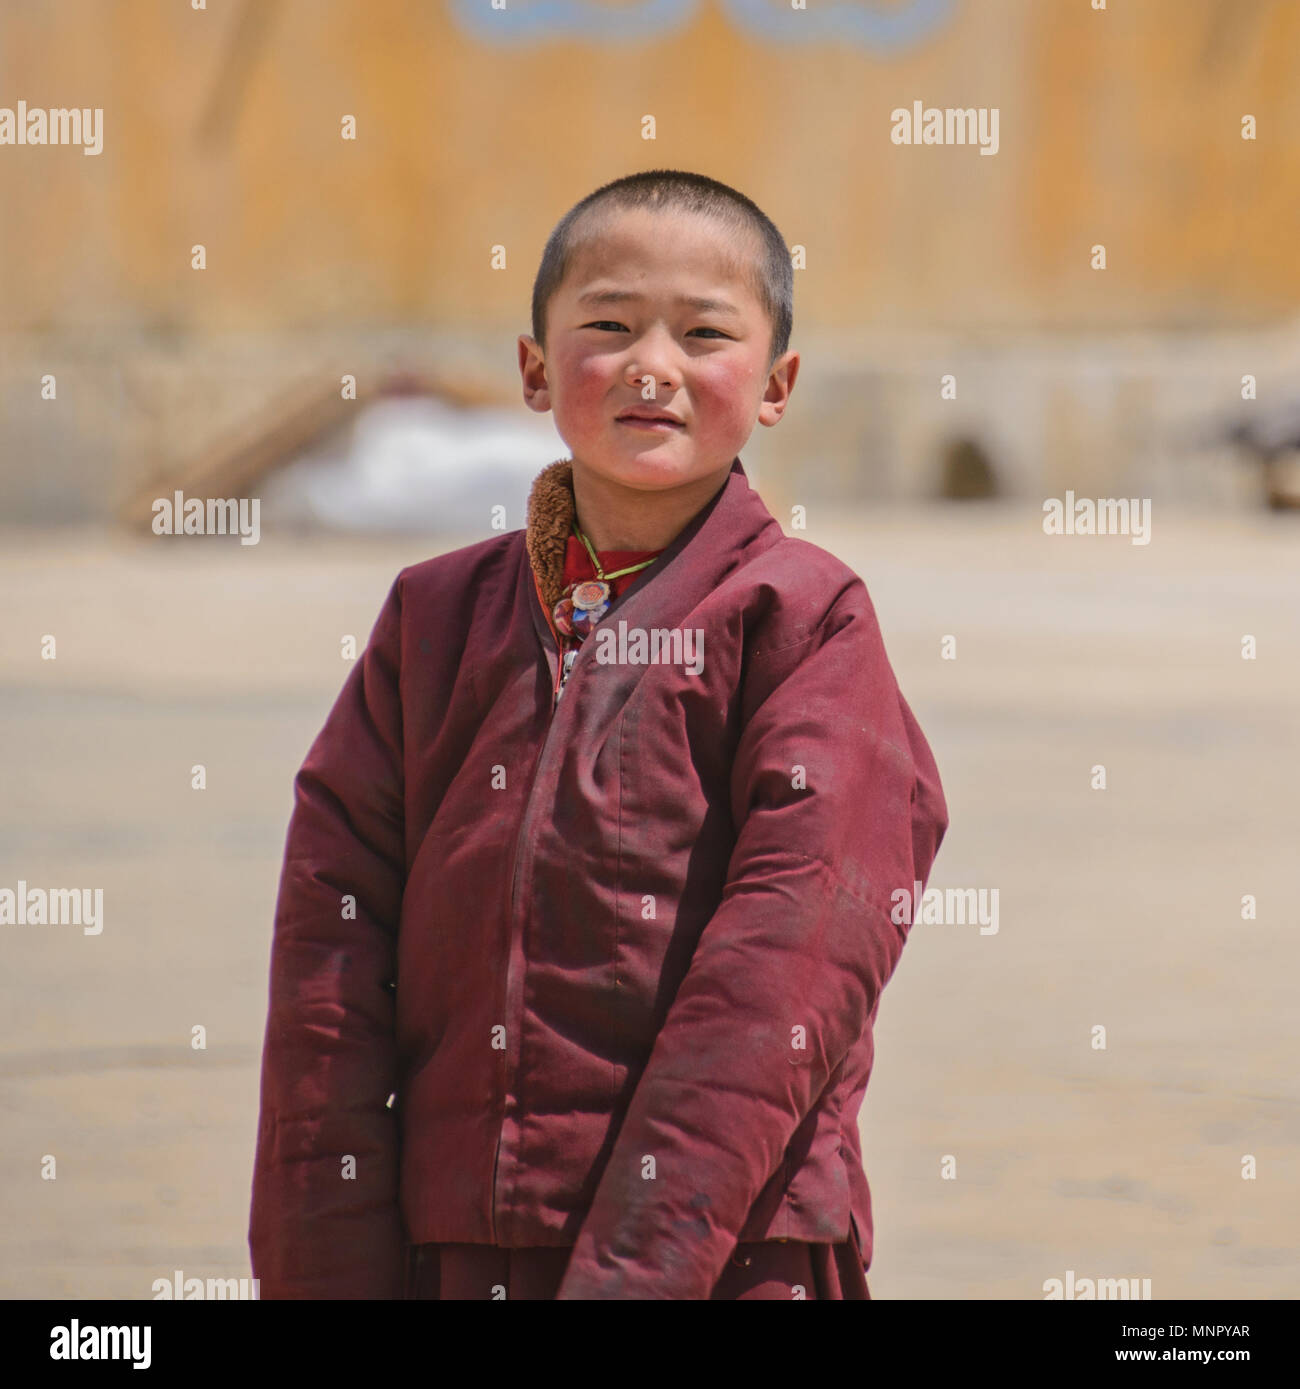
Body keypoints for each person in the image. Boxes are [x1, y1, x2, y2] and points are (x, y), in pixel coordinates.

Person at [249, 168, 949, 1300]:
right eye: (609, 325)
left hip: (725, 1256)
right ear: (534, 369)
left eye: (704, 332)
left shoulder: (803, 620)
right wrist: (321, 1263)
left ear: (776, 385)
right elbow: (327, 964)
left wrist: (639, 1271)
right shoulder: (433, 624)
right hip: (459, 1245)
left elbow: (789, 965)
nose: (650, 365)